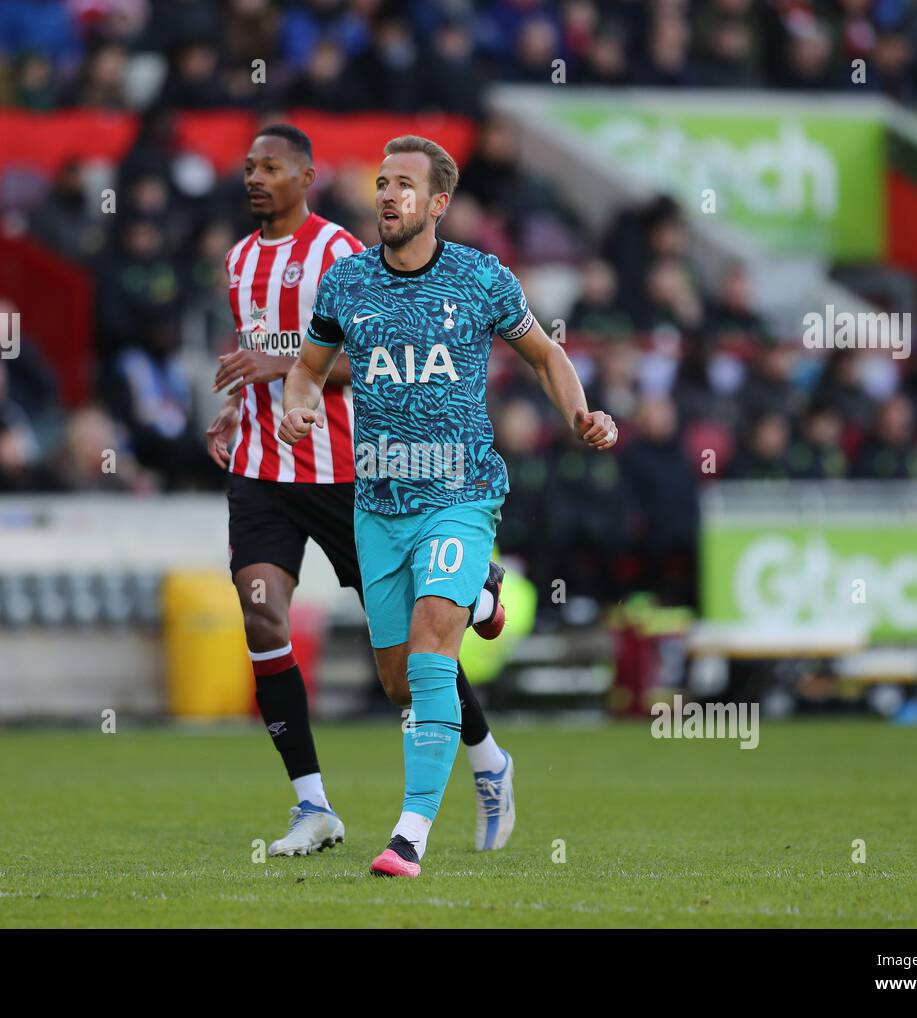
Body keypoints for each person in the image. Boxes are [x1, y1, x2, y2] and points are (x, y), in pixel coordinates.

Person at [279, 135, 617, 877]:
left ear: (438, 203)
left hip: (461, 496)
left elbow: (545, 355)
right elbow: (307, 371)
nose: (388, 195)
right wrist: (295, 407)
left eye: (404, 184)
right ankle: (491, 755)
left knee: (434, 654)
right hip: (379, 505)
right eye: (381, 182)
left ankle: (409, 835)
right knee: (399, 680)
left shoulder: (480, 279)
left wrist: (580, 414)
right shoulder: (346, 284)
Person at [204, 125, 510, 860]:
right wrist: (240, 404)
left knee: (412, 659)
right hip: (262, 468)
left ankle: (485, 753)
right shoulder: (238, 260)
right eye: (248, 168)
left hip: (351, 471)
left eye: (269, 167)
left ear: (306, 177)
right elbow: (272, 365)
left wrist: (278, 368)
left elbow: (355, 366)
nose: (254, 178)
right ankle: (312, 803)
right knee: (262, 619)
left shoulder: (343, 255)